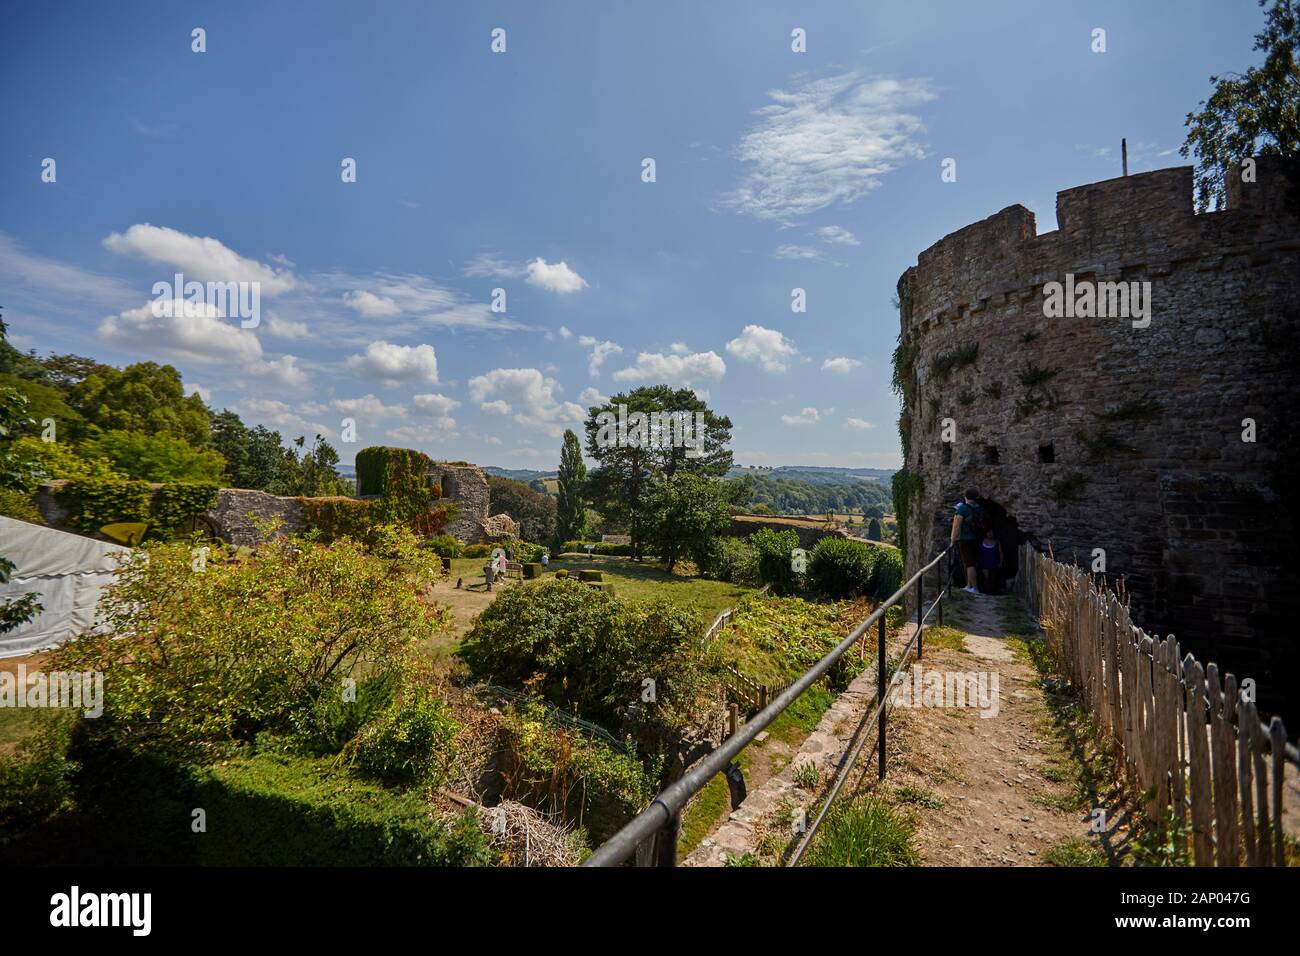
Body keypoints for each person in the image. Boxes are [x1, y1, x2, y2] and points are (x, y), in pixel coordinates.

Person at [950, 487, 985, 595]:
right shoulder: (979, 507)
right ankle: (969, 585)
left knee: (969, 564)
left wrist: (953, 540)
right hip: (977, 538)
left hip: (965, 539)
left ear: (965, 496)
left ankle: (974, 588)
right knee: (971, 562)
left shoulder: (962, 509)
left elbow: (956, 526)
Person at [977, 528, 1003, 594]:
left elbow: (1001, 553)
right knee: (986, 578)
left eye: (991, 532)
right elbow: (978, 552)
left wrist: (1001, 563)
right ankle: (986, 592)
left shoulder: (997, 542)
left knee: (993, 578)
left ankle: (992, 592)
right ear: (986, 533)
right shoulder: (982, 541)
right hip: (984, 562)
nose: (990, 534)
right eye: (988, 532)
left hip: (994, 563)